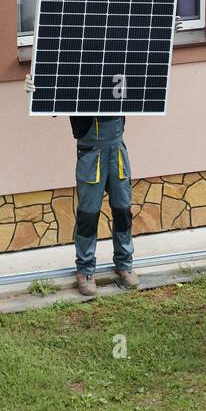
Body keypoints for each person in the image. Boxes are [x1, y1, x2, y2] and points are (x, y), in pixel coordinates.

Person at [71, 114, 138, 297]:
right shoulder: (78, 83)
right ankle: (85, 271)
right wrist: (37, 89)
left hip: (117, 149)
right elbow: (55, 100)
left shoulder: (119, 84)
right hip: (90, 151)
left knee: (123, 209)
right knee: (88, 214)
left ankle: (124, 265)